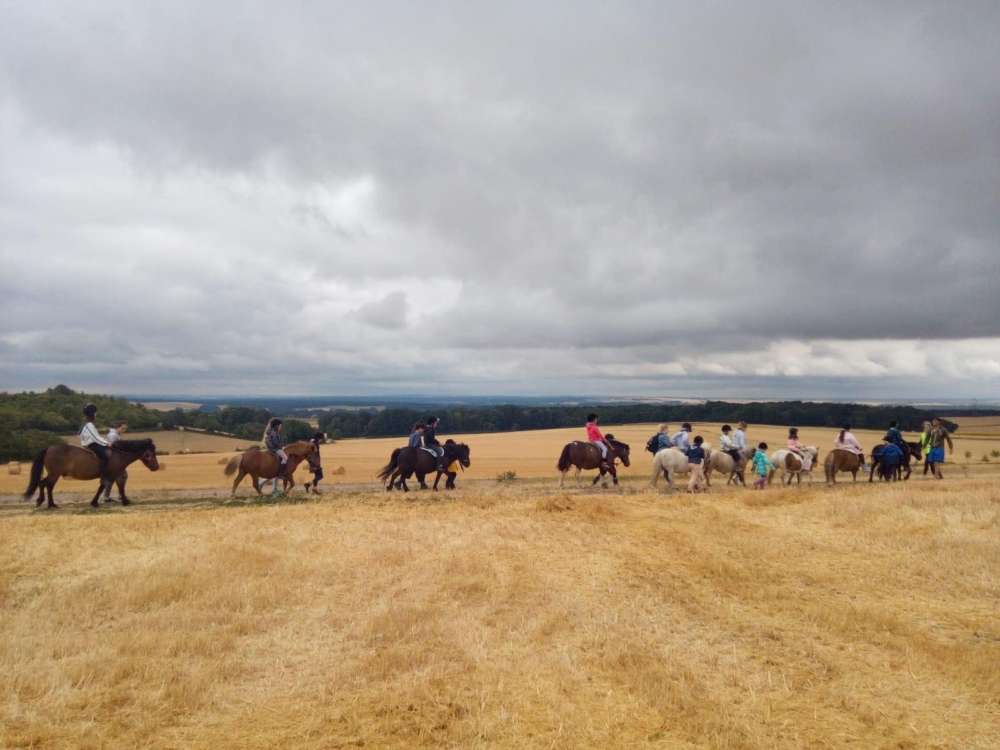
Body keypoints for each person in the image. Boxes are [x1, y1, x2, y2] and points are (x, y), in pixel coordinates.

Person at [79, 403, 111, 480]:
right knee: (105, 456)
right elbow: (96, 438)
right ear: (92, 413)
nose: (96, 414)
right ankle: (104, 474)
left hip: (90, 443)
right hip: (91, 445)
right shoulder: (89, 425)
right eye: (95, 413)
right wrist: (107, 443)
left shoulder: (86, 423)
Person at [263, 418, 287, 494]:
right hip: (275, 449)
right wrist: (281, 447)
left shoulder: (273, 432)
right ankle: (281, 473)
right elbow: (276, 443)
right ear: (277, 426)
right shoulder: (274, 433)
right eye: (280, 426)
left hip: (274, 448)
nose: (281, 427)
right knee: (286, 458)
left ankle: (275, 488)